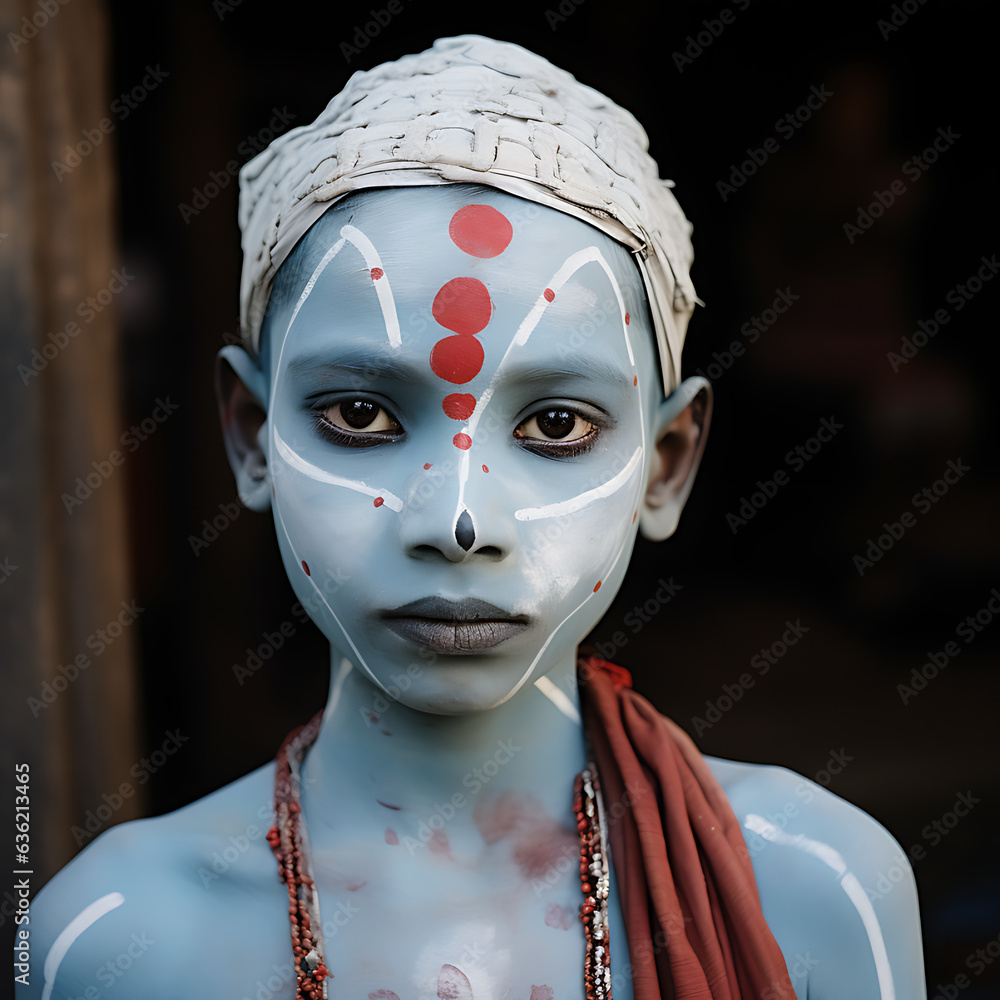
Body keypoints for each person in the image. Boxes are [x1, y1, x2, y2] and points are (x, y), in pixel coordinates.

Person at [22, 35, 925, 1000]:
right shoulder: (111, 943)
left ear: (666, 464)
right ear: (251, 436)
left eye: (555, 425)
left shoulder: (817, 890)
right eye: (360, 415)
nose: (456, 520)